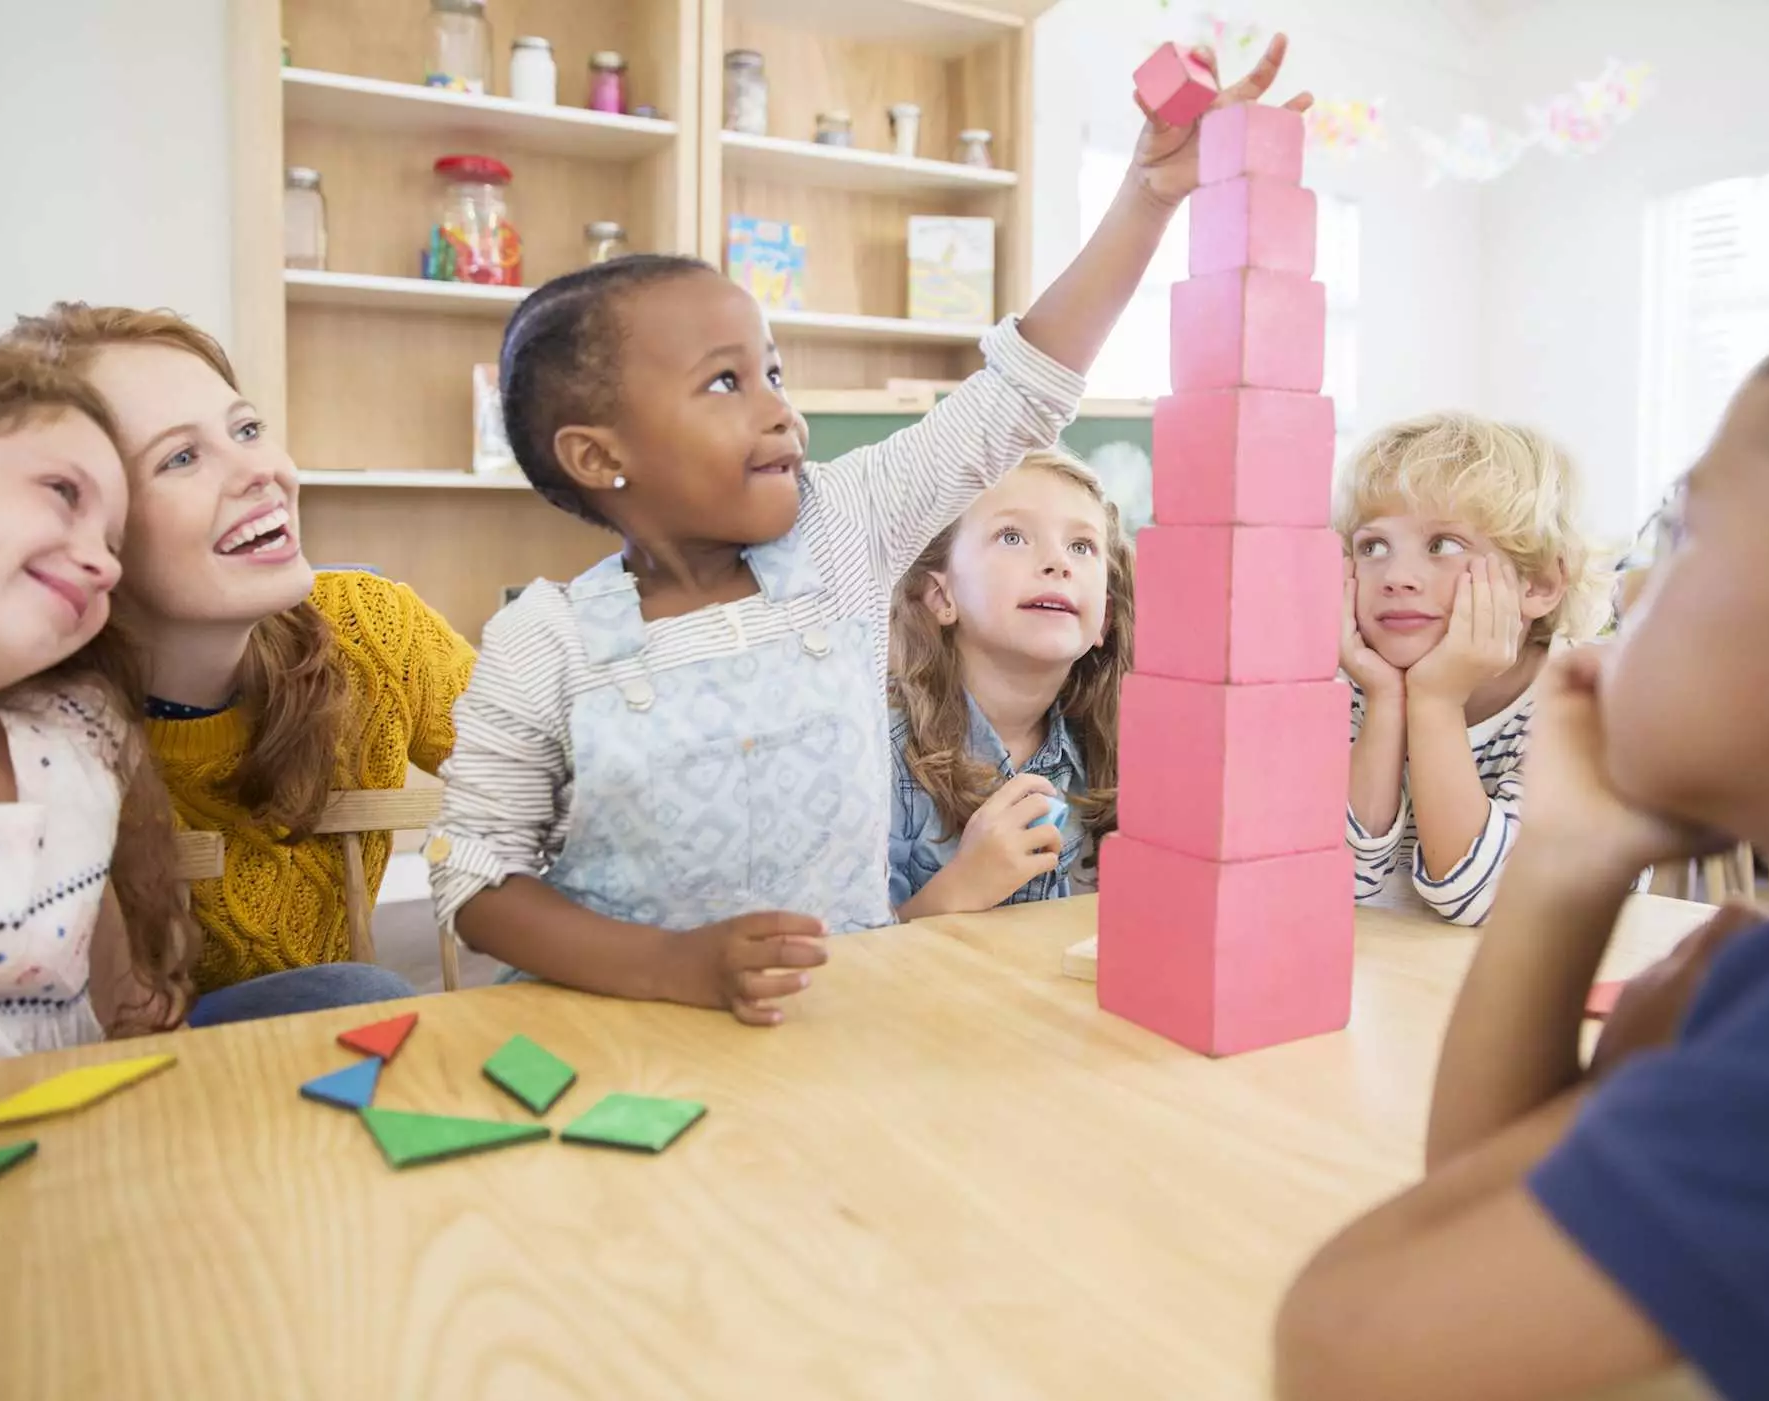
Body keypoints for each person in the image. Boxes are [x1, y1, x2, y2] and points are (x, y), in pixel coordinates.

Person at [429, 41, 1312, 1026]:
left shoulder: (841, 530)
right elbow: (476, 882)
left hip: (840, 1018)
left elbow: (1017, 394)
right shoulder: (541, 642)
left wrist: (1145, 199)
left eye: (773, 373)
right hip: (615, 1029)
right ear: (598, 457)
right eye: (725, 383)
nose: (777, 411)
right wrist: (672, 966)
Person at [1276, 291, 1769, 1401]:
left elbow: (1347, 1345)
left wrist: (1609, 1096)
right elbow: (1483, 1214)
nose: (1636, 586)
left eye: (1684, 538)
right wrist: (1568, 859)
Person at [8, 306, 475, 1024]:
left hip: (313, 1059)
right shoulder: (32, 726)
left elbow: (574, 785)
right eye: (182, 458)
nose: (262, 471)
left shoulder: (373, 630)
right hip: (138, 1063)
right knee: (358, 995)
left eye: (247, 429)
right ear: (80, 539)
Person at [0, 340, 194, 1070]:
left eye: (114, 543)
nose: (106, 562)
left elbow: (129, 1004)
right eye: (62, 492)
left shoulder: (74, 748)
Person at [1335, 413, 1610, 925]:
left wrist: (1436, 702)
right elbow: (1332, 880)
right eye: (1372, 546)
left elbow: (1491, 900)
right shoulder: (1353, 687)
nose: (1396, 577)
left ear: (1539, 584)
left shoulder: (1583, 702)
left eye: (1442, 545)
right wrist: (1386, 702)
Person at [887, 447, 1133, 917]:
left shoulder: (1117, 756)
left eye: (1081, 546)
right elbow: (847, 959)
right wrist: (959, 890)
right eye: (1013, 536)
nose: (1058, 563)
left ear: (1103, 617)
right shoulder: (877, 754)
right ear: (941, 595)